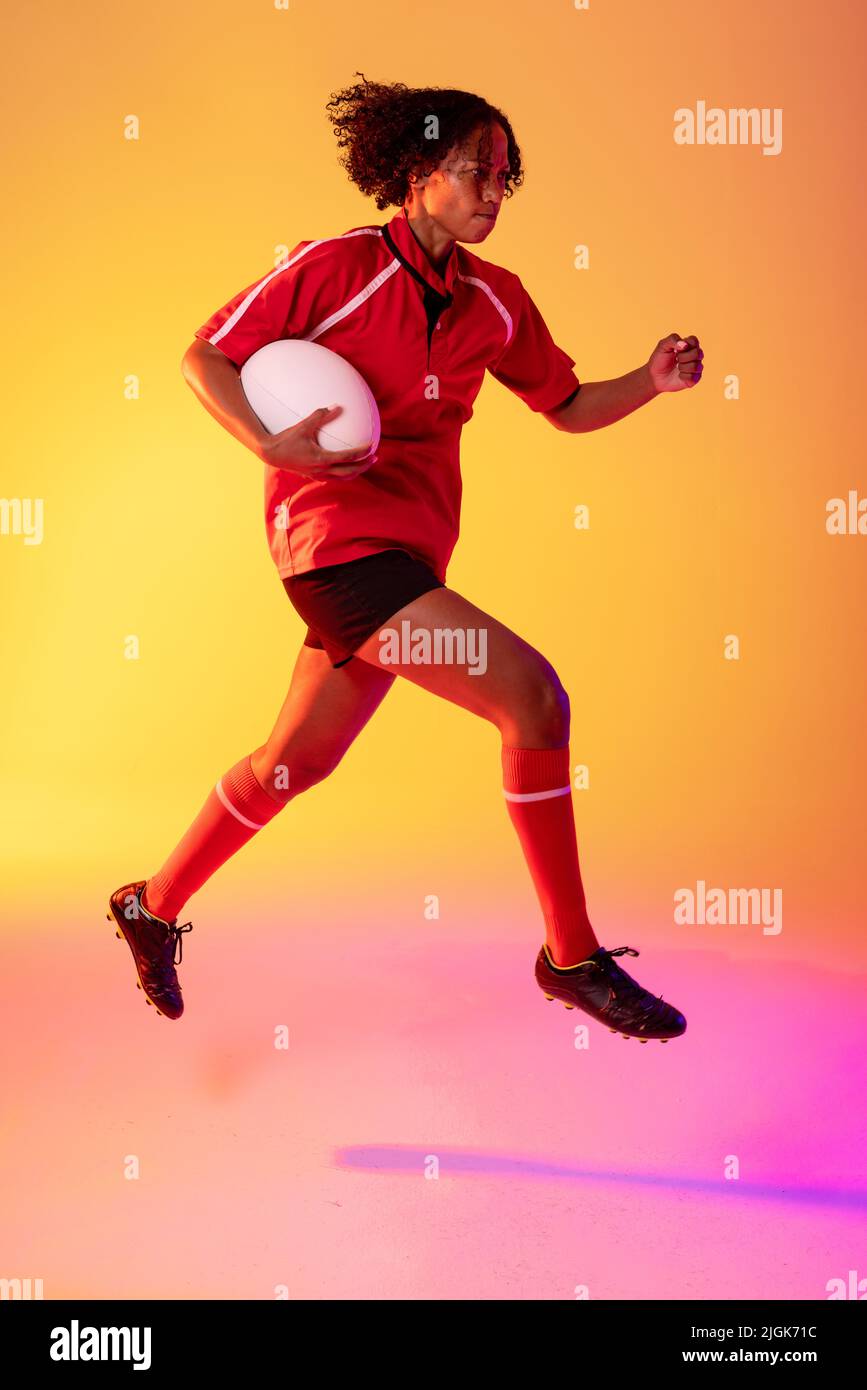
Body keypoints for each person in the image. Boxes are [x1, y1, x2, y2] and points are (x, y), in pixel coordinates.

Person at [107, 75, 703, 1041]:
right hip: (337, 553)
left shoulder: (495, 303)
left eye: (506, 178)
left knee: (291, 766)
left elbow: (567, 406)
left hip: (408, 559)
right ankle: (571, 957)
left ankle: (150, 905)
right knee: (531, 697)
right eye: (475, 171)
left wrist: (650, 380)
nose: (492, 193)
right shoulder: (335, 266)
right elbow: (204, 355)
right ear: (416, 171)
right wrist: (267, 443)